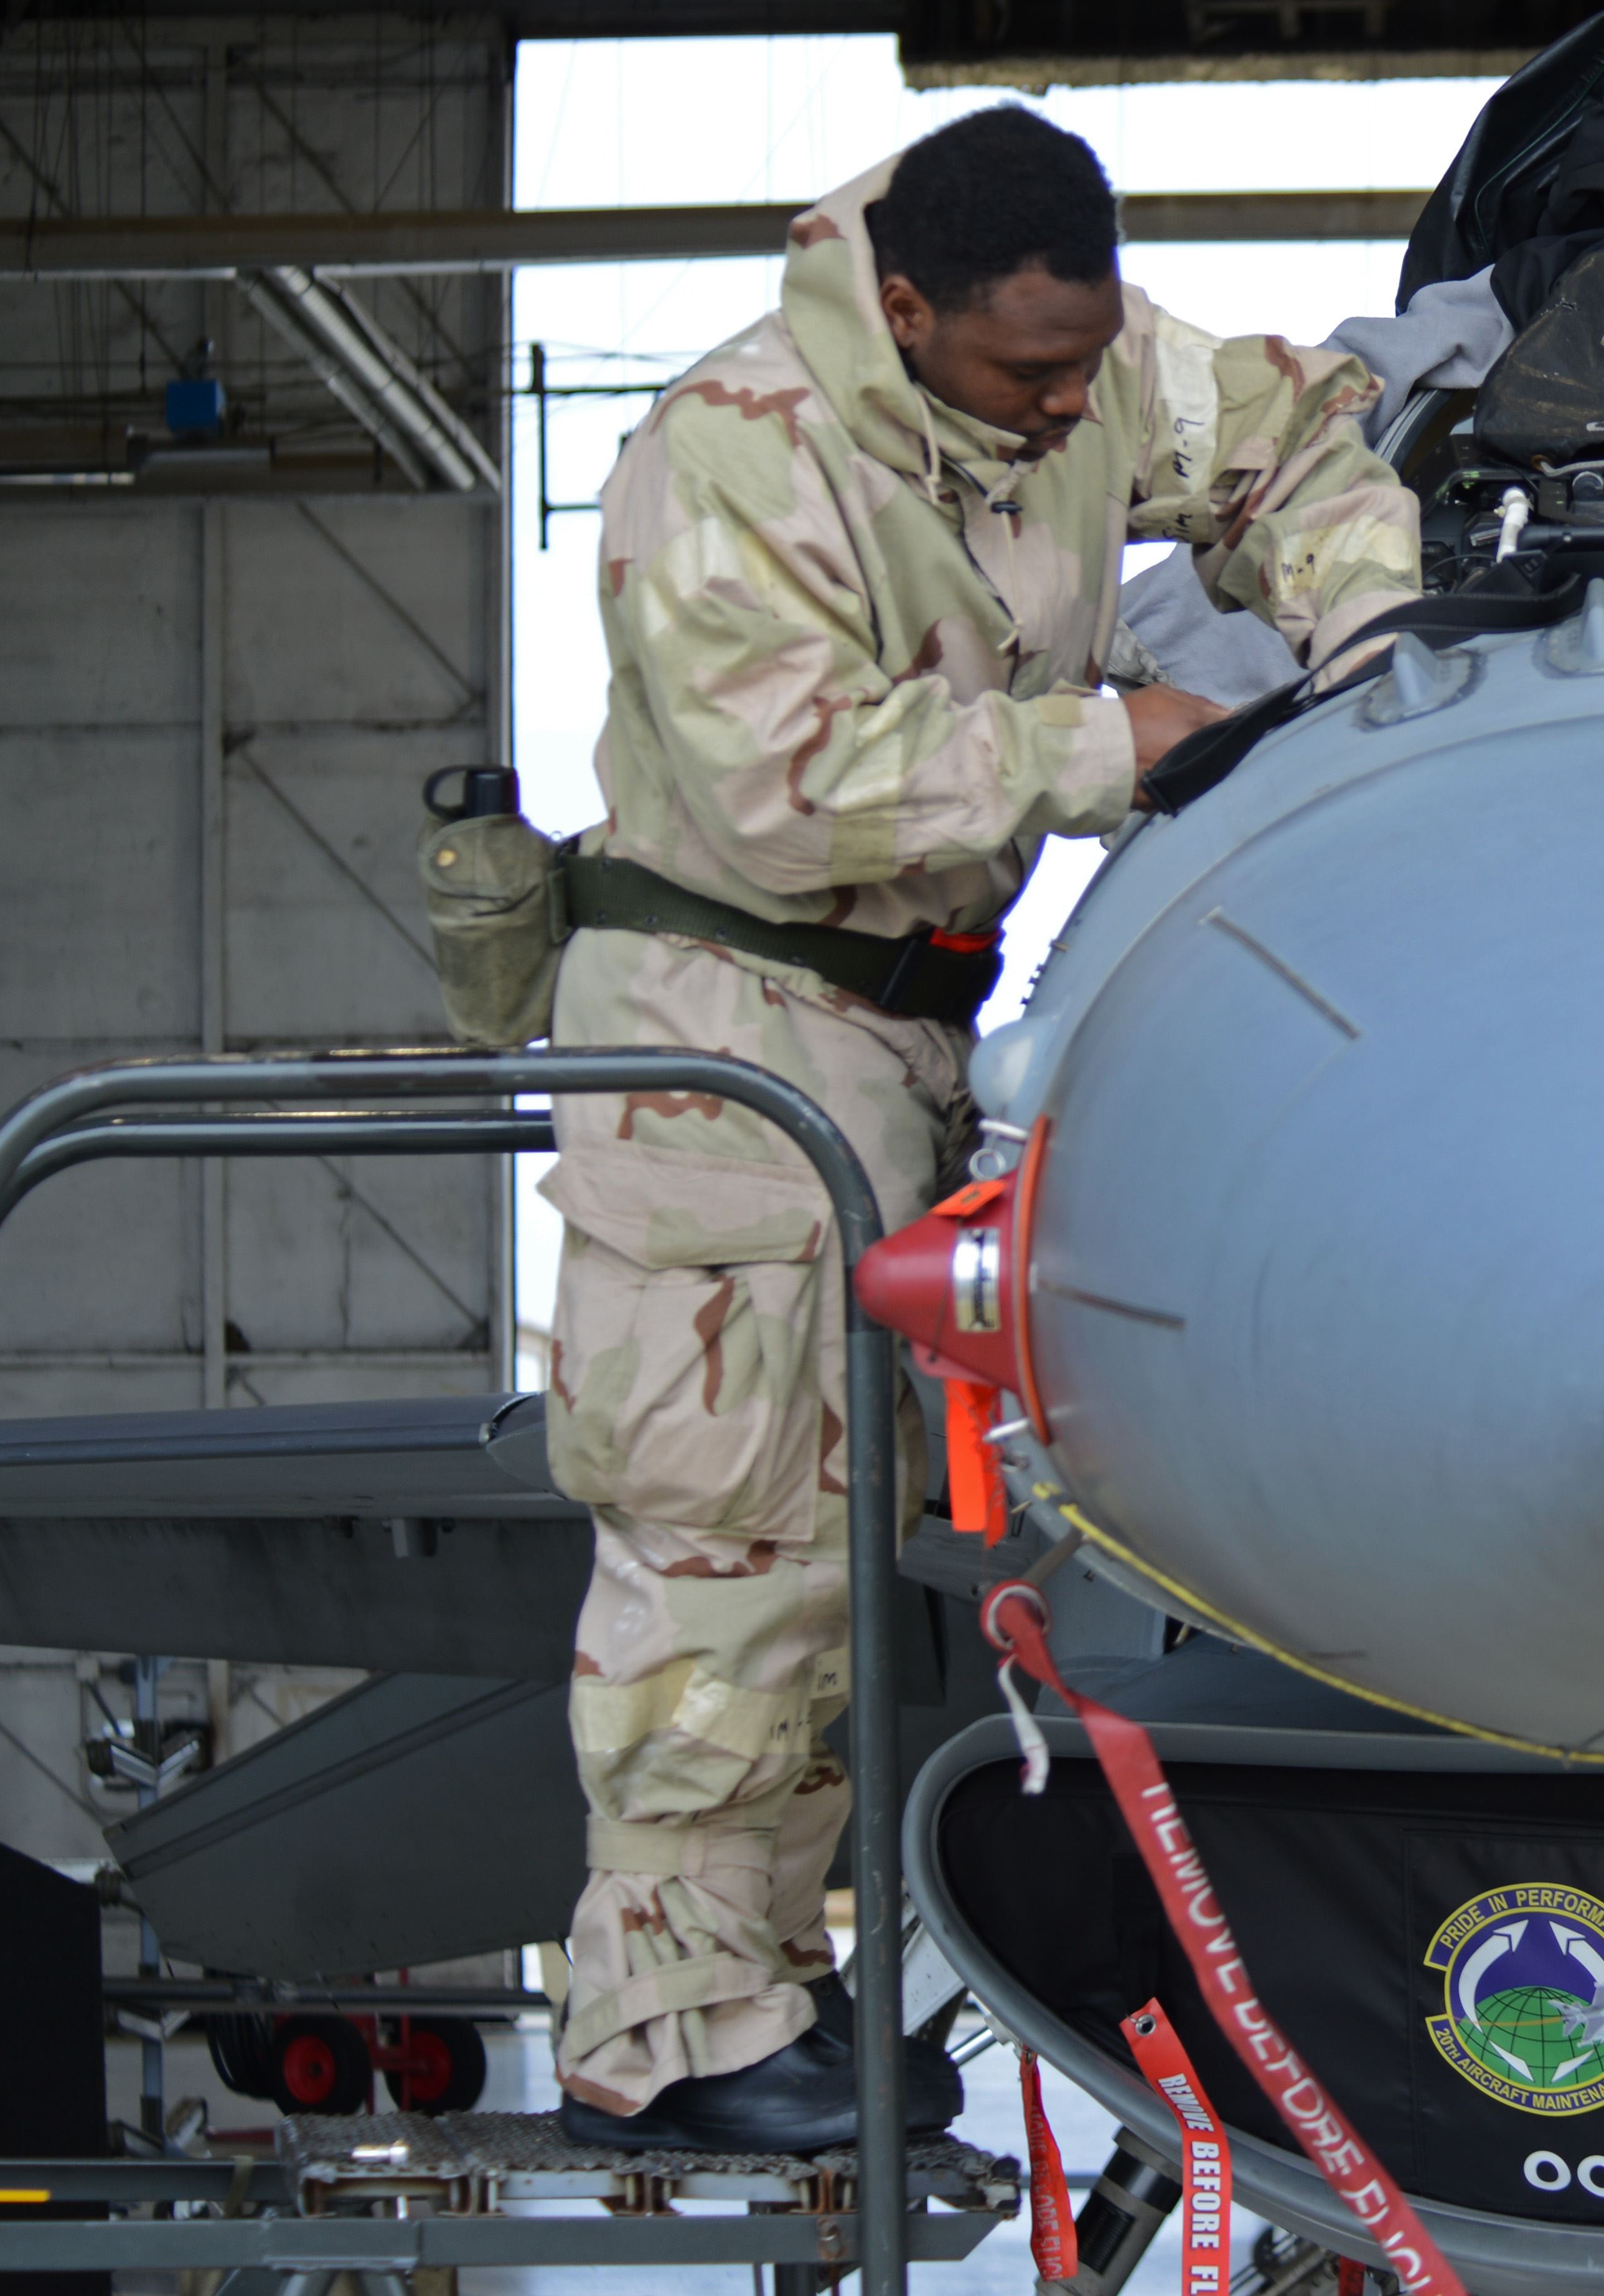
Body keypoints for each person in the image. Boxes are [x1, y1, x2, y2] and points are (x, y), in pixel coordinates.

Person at [540, 107, 1421, 2149]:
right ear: (905, 306)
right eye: (1023, 370)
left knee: (839, 1546)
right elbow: (787, 781)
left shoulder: (1078, 362)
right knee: (730, 1530)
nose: (1063, 406)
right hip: (724, 1026)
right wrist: (1119, 743)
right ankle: (662, 2031)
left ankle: (762, 1987)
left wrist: (1360, 626)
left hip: (909, 1028)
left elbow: (1290, 443)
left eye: (1083, 361)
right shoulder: (733, 454)